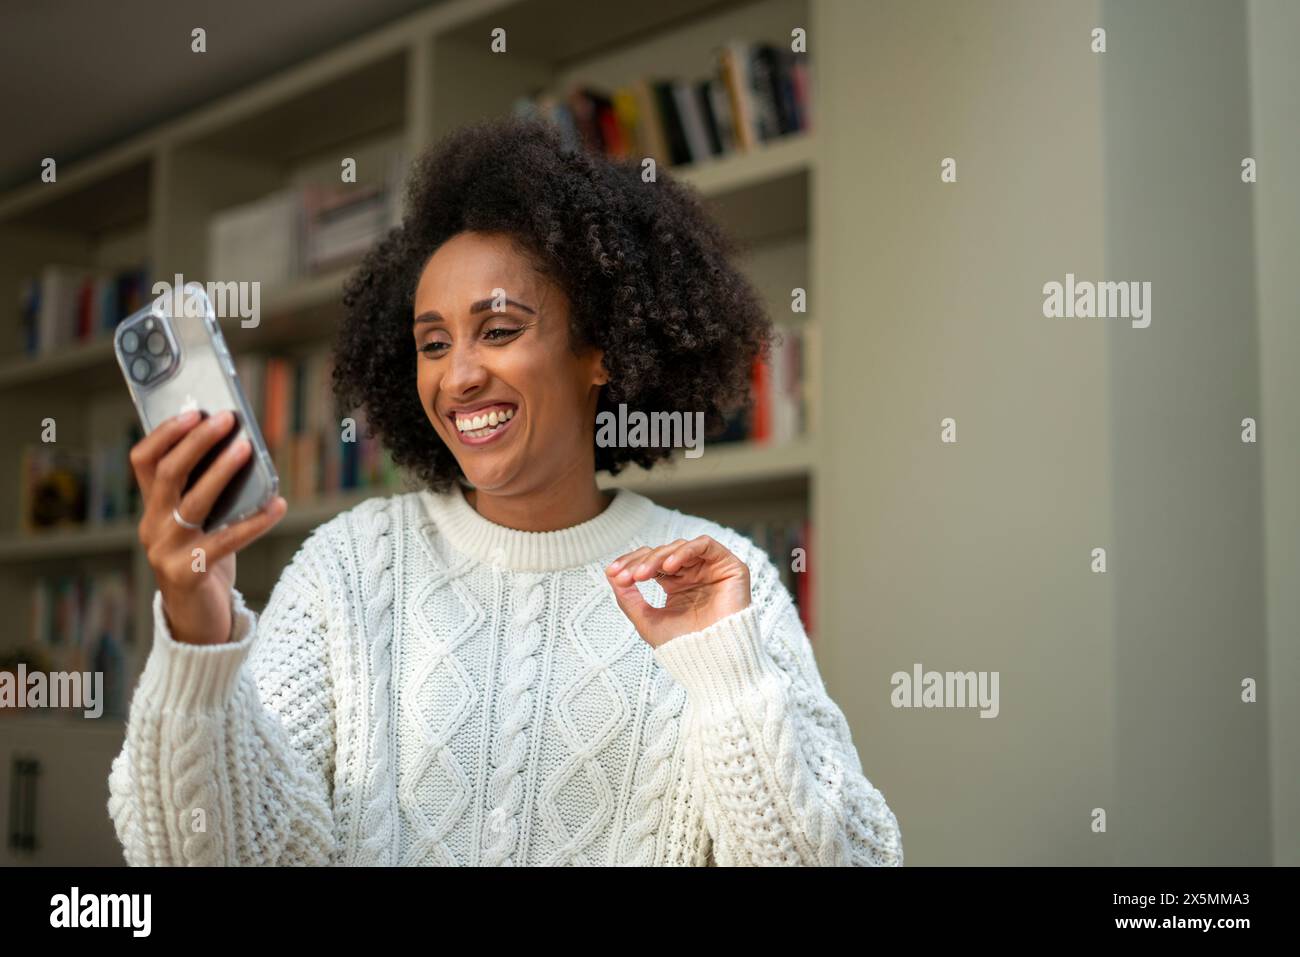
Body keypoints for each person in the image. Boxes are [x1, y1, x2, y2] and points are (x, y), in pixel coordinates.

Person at [107, 116, 903, 867]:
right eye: (432, 343)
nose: (458, 376)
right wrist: (198, 625)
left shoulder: (719, 581)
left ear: (600, 347)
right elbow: (208, 851)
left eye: (498, 330)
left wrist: (728, 672)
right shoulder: (350, 570)